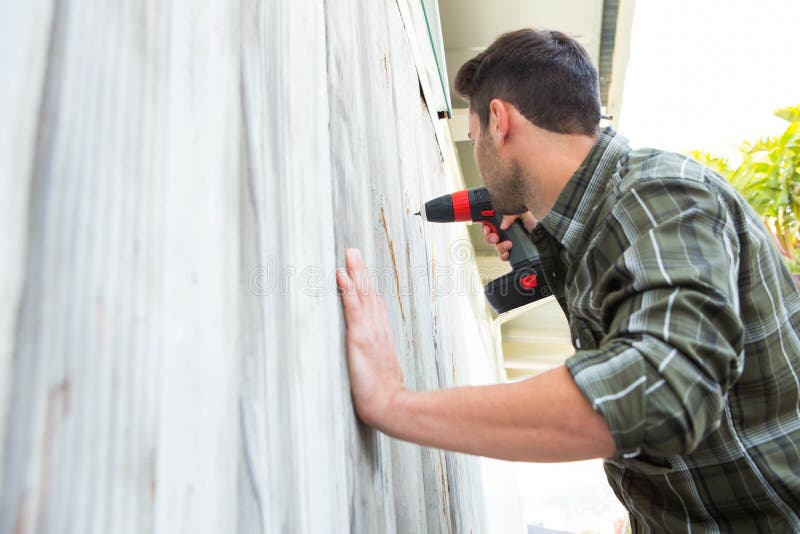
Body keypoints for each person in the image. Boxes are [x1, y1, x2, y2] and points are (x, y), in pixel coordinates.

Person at [335, 29, 800, 532]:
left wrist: (395, 404)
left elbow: (662, 390)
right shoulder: (598, 230)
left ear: (499, 120)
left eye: (474, 140)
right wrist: (550, 239)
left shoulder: (662, 194)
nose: (478, 162)